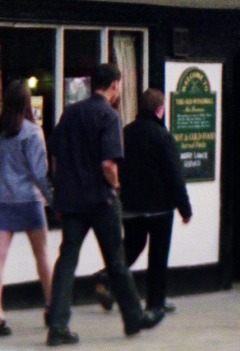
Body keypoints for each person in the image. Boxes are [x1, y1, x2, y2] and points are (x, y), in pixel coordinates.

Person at [45, 64, 163, 346]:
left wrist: (60, 194)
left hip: (72, 200)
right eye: (119, 85)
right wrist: (115, 185)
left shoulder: (70, 112)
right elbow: (108, 163)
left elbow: (56, 158)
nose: (119, 90)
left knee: (67, 260)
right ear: (113, 85)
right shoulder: (108, 116)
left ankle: (58, 324)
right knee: (116, 260)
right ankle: (134, 317)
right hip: (100, 199)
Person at [93, 88, 192, 314]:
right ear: (160, 110)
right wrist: (184, 208)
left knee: (132, 246)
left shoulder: (125, 133)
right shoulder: (163, 137)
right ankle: (156, 301)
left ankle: (107, 275)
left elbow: (112, 163)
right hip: (160, 208)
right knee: (158, 254)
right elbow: (174, 175)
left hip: (131, 204)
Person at [0, 79, 55, 337]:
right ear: (27, 103)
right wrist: (52, 200)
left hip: (4, 200)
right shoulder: (33, 132)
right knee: (42, 256)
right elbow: (40, 173)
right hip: (29, 200)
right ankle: (51, 307)